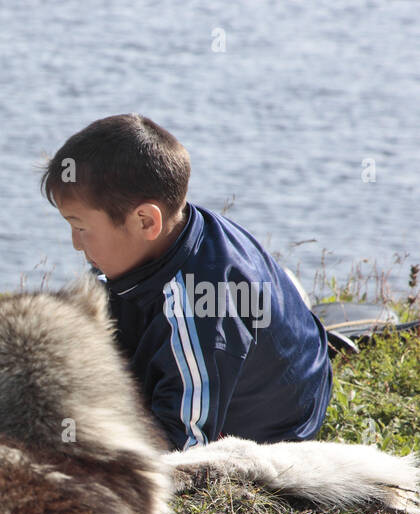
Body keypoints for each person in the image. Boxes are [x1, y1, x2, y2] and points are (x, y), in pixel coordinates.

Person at [40, 114, 332, 451]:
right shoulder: (171, 232)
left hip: (275, 427)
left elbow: (184, 447)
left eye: (80, 227)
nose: (75, 243)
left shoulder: (198, 310)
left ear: (146, 221)